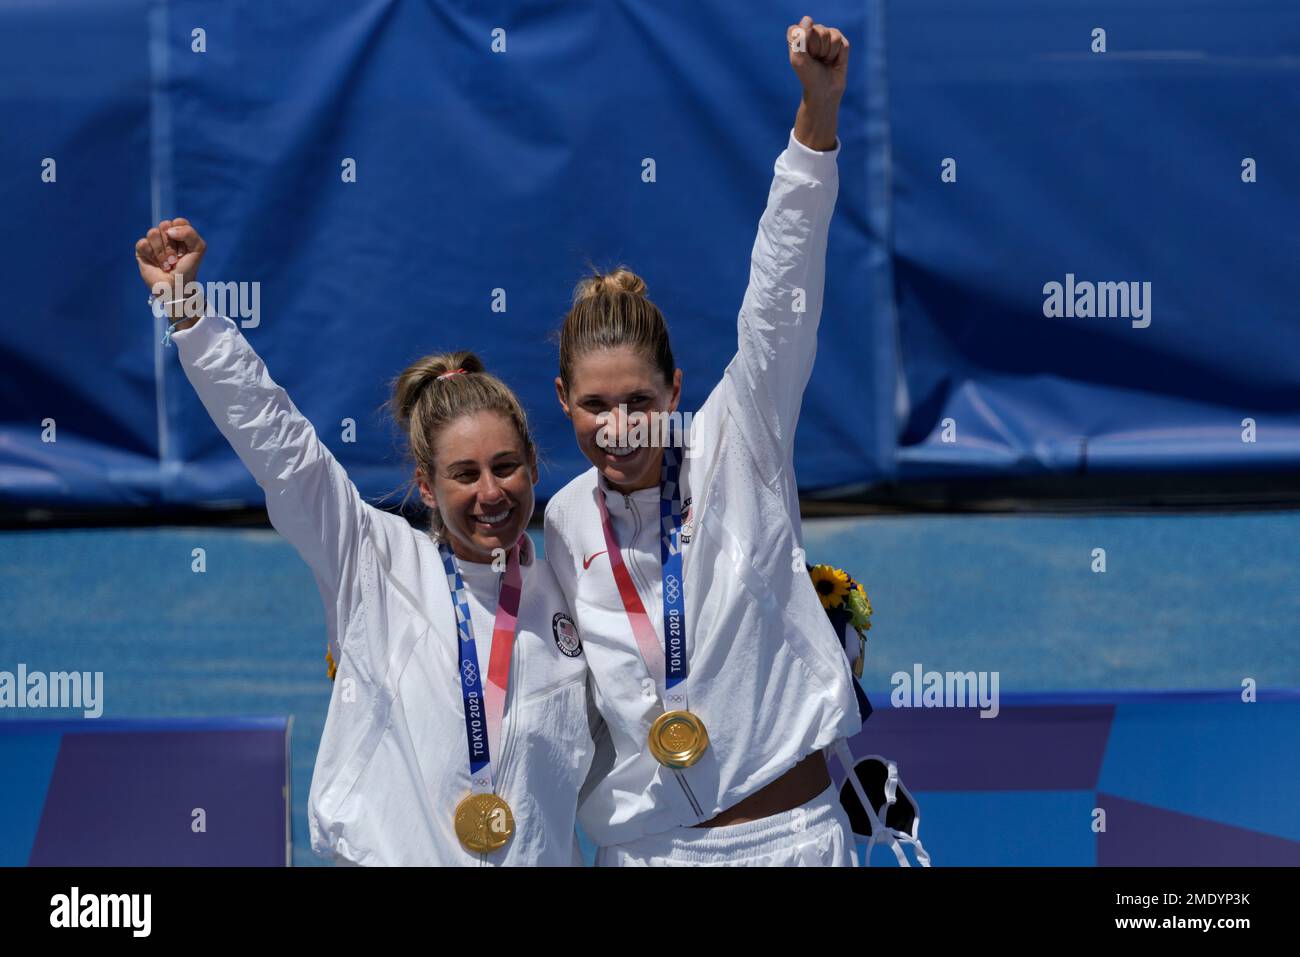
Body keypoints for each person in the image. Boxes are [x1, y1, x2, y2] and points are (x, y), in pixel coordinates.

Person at [134, 220, 596, 865]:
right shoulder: (373, 563)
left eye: (506, 465)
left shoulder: (568, 594)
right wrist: (189, 314)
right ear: (426, 488)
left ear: (534, 469)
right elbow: (282, 448)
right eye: (464, 473)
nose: (491, 492)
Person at [543, 15, 861, 866]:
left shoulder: (738, 436)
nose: (618, 427)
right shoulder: (565, 519)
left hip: (789, 841)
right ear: (565, 401)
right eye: (595, 405)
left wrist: (816, 120)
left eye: (639, 400)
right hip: (651, 855)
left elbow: (781, 286)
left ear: (677, 393)